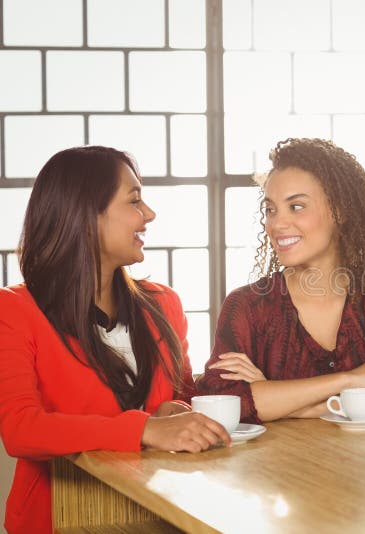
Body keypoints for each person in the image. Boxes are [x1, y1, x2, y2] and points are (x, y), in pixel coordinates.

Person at [0, 146, 230, 534]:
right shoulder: (14, 309)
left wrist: (174, 411)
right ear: (87, 214)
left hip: (161, 513)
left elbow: (184, 397)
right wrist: (144, 430)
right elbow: (21, 429)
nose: (149, 214)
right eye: (134, 200)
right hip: (60, 521)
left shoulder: (164, 304)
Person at [196, 138, 365, 421]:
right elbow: (221, 402)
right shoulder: (246, 306)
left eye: (296, 207)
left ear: (340, 210)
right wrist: (348, 380)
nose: (277, 224)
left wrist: (276, 398)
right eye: (270, 210)